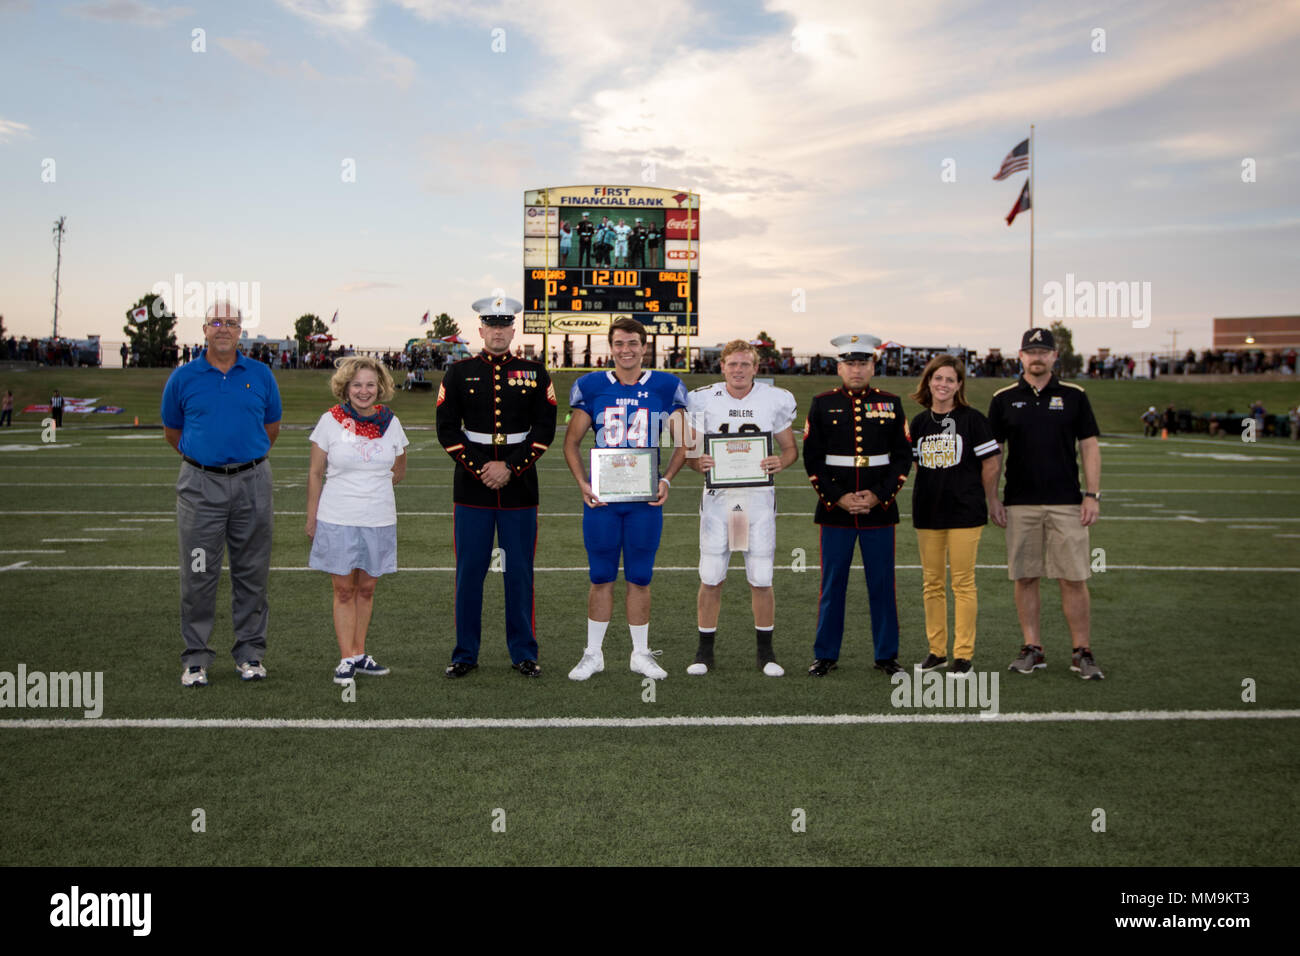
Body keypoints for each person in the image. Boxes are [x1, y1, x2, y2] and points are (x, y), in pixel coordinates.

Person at [161, 301, 282, 687]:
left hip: (252, 484)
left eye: (231, 322)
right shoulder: (183, 378)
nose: (224, 328)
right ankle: (196, 658)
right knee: (198, 572)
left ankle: (250, 655)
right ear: (204, 330)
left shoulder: (261, 375)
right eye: (216, 322)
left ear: (241, 330)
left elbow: (271, 427)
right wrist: (207, 462)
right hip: (200, 488)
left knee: (251, 573)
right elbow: (173, 432)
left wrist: (241, 459)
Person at [436, 294, 557, 679]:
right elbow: (447, 429)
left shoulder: (536, 372)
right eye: (493, 325)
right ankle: (464, 654)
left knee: (519, 571)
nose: (499, 331)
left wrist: (511, 467)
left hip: (519, 486)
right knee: (470, 571)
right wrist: (482, 468)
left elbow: (544, 429)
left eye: (505, 325)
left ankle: (523, 652)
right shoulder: (458, 372)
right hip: (472, 487)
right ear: (481, 329)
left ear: (513, 329)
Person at [563, 316, 688, 681]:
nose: (626, 350)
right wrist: (583, 483)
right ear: (610, 347)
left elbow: (685, 441)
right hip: (603, 499)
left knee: (640, 576)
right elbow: (571, 442)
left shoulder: (666, 386)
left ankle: (640, 653)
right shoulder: (591, 384)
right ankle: (593, 654)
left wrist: (667, 479)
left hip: (644, 501)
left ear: (645, 347)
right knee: (601, 575)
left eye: (633, 343)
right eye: (619, 343)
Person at [988, 327, 1104, 680]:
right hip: (1020, 503)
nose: (1037, 357)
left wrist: (1092, 494)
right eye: (1030, 351)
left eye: (1044, 351)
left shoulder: (1074, 396)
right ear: (1020, 356)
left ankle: (1081, 651)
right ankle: (1033, 648)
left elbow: (1089, 445)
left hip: (1067, 502)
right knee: (1025, 577)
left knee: (1073, 577)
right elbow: (994, 453)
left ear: (1055, 356)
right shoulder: (1003, 398)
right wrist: (991, 497)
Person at [683, 340, 798, 676]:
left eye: (745, 364)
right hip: (719, 500)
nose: (738, 370)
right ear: (722, 367)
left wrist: (781, 460)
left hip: (758, 500)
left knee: (761, 576)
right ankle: (704, 652)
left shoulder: (774, 400)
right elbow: (688, 451)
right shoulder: (702, 398)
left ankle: (766, 653)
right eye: (732, 364)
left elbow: (790, 448)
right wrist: (697, 461)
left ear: (755, 368)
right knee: (711, 574)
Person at [802, 334, 912, 677]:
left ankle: (886, 655)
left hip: (879, 509)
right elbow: (812, 458)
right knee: (832, 586)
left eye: (863, 363)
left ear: (873, 366)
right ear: (839, 367)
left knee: (882, 584)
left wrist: (879, 495)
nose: (856, 369)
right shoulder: (822, 403)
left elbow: (903, 457)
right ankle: (825, 654)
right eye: (850, 363)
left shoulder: (891, 403)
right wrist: (838, 497)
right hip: (836, 510)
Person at [306, 357, 409, 684]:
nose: (364, 391)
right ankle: (346, 658)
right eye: (357, 385)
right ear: (345, 388)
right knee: (344, 590)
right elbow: (315, 472)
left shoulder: (391, 422)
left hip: (378, 518)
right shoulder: (330, 421)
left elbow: (400, 469)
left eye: (369, 384)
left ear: (379, 387)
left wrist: (370, 489)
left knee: (366, 588)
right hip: (338, 516)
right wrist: (312, 517)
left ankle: (360, 653)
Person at [909, 355, 1001, 675]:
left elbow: (991, 463)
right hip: (928, 511)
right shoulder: (919, 423)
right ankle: (937, 651)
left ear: (959, 384)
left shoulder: (973, 419)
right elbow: (919, 465)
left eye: (950, 379)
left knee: (962, 583)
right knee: (932, 583)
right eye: (938, 378)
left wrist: (989, 498)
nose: (943, 384)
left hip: (965, 511)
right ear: (929, 382)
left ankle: (963, 655)